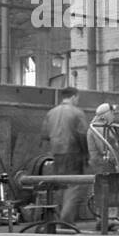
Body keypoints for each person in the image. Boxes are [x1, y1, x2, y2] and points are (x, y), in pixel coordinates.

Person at [41, 87, 88, 225]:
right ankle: (66, 220)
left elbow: (44, 135)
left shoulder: (51, 113)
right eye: (78, 98)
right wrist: (86, 154)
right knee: (74, 186)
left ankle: (59, 219)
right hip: (74, 154)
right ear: (74, 97)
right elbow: (83, 134)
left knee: (60, 186)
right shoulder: (77, 113)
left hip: (57, 154)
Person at [87, 103, 119, 175]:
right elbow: (104, 150)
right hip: (102, 165)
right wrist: (117, 164)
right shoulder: (99, 128)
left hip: (104, 164)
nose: (114, 116)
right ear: (106, 115)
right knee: (105, 184)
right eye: (112, 114)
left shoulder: (104, 126)